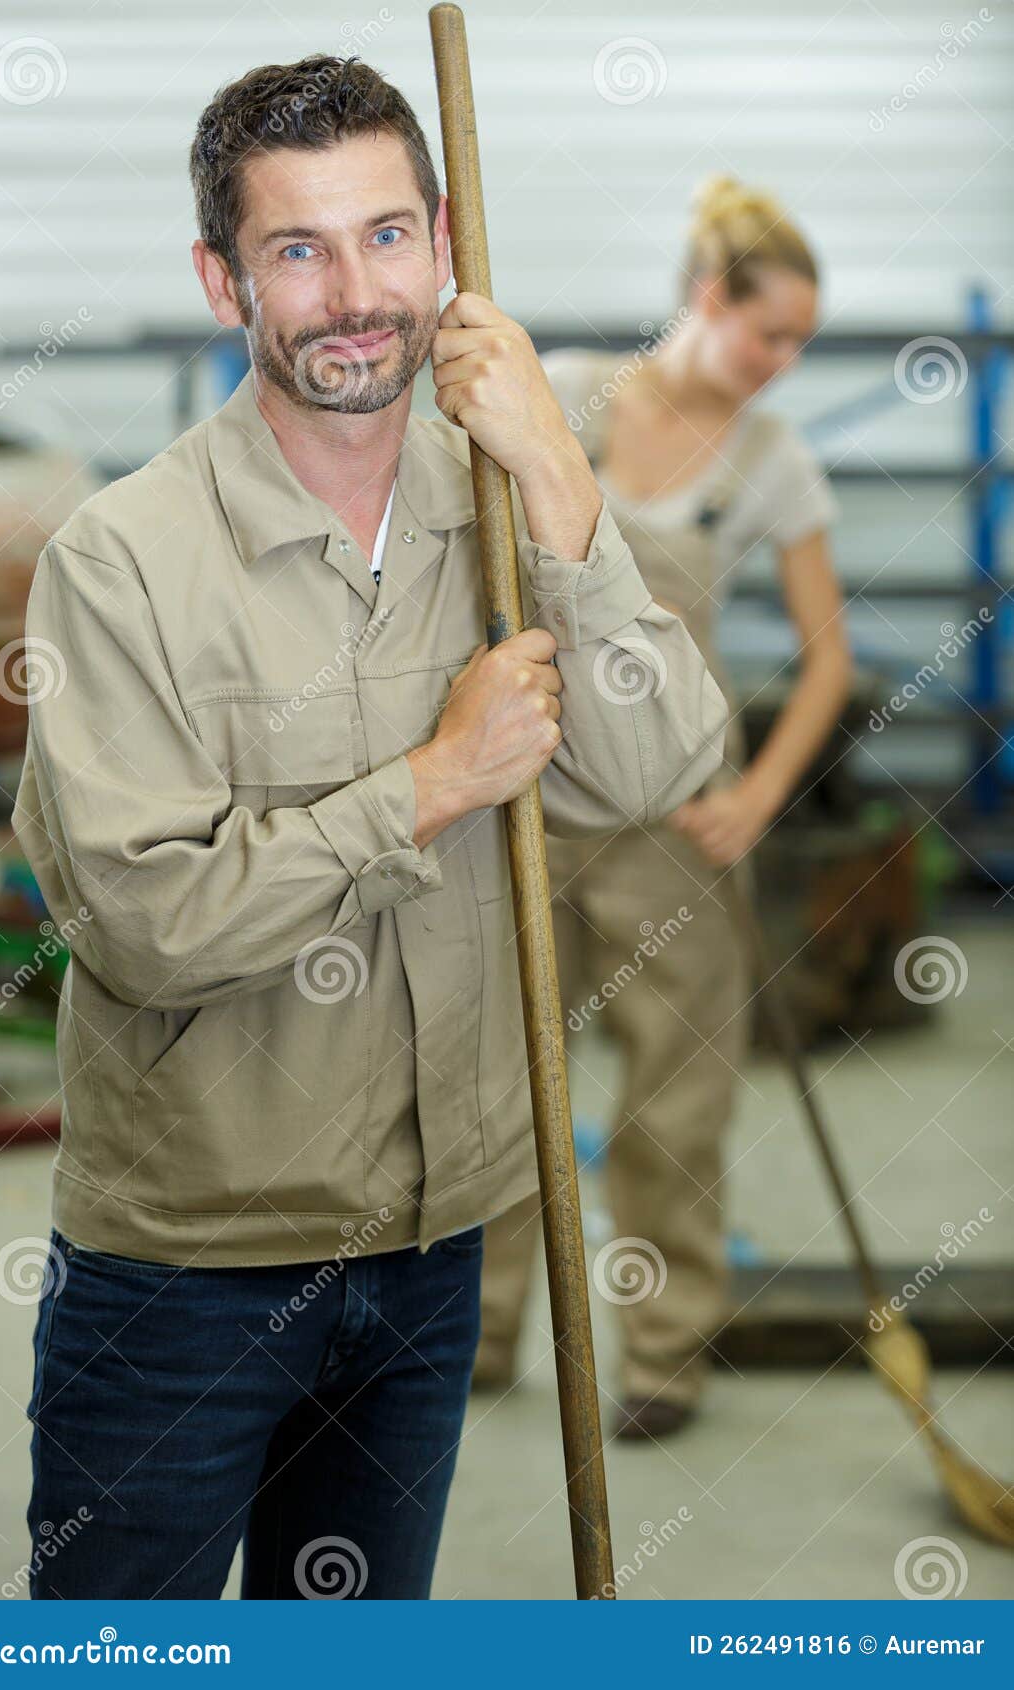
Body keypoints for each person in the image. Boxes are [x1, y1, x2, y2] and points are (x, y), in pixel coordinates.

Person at [9, 58, 729, 1599]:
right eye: (297, 249)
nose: (354, 293)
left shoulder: (501, 502)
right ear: (222, 279)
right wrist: (429, 783)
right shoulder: (118, 561)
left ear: (445, 244)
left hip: (429, 1252)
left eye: (387, 237)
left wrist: (552, 467)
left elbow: (661, 760)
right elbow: (142, 928)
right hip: (183, 1272)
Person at [476, 176, 852, 1439]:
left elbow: (828, 657)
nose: (781, 363)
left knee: (673, 1098)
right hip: (528, 791)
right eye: (770, 333)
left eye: (801, 342)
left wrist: (752, 795)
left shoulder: (769, 459)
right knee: (503, 1075)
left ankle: (660, 1352)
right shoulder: (571, 389)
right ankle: (472, 1334)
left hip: (676, 820)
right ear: (708, 299)